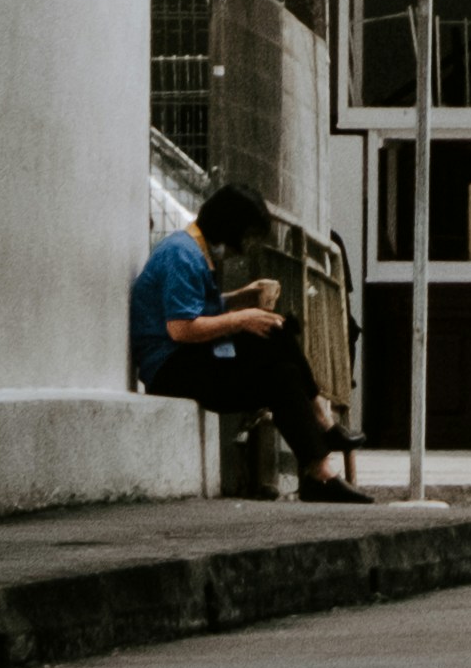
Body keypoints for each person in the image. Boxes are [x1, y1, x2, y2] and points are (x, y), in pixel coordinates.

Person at [130, 177, 359, 493]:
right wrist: (242, 319)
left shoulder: (194, 250)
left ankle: (319, 473)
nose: (247, 245)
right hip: (170, 368)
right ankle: (324, 422)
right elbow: (181, 328)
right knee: (274, 334)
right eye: (248, 235)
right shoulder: (180, 254)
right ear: (231, 226)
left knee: (283, 373)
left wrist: (240, 298)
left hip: (187, 361)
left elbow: (196, 310)